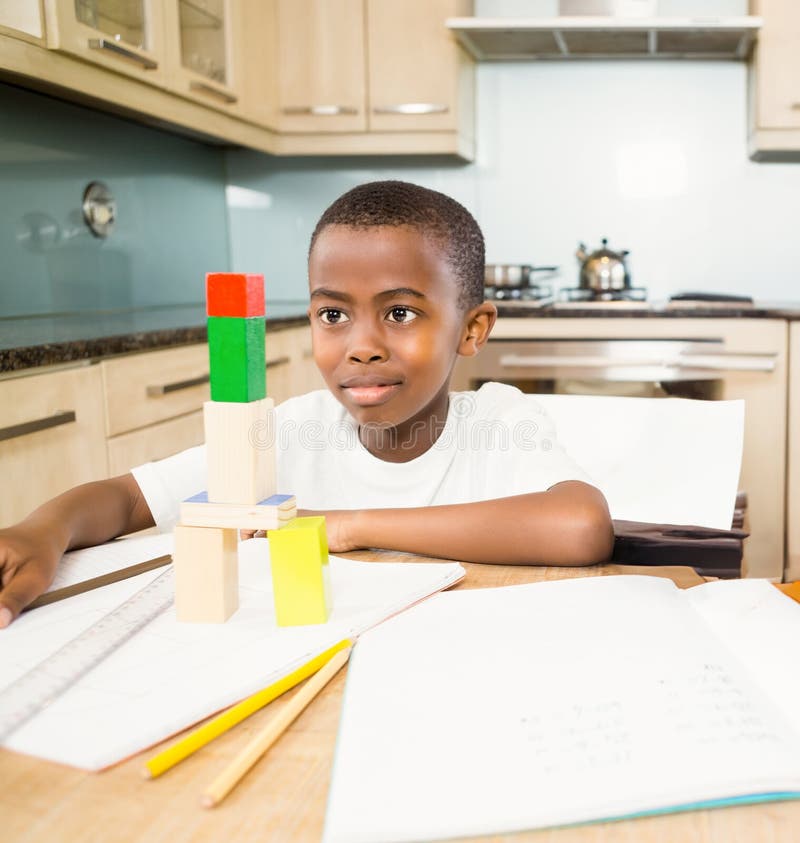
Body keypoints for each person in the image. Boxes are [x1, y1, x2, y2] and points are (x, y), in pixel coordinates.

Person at [0, 180, 613, 628]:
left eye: (401, 313)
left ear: (472, 330)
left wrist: (345, 524)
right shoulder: (288, 430)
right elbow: (131, 499)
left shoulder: (499, 420)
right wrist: (42, 530)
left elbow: (581, 528)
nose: (362, 346)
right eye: (333, 315)